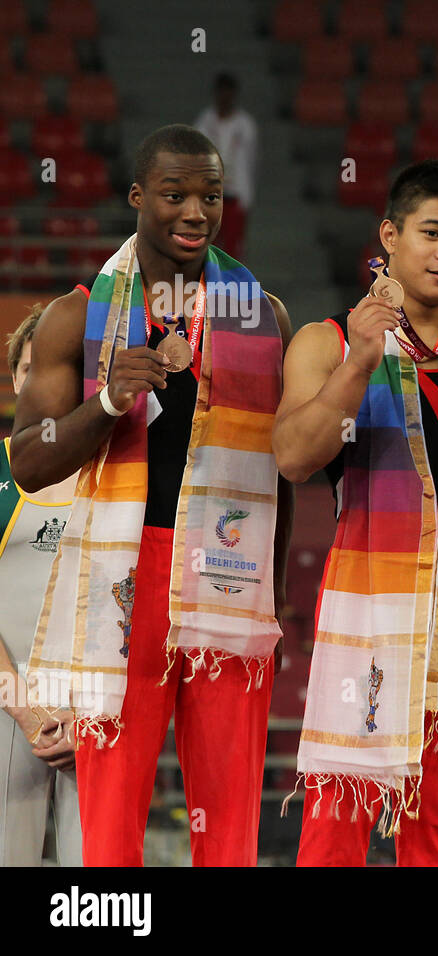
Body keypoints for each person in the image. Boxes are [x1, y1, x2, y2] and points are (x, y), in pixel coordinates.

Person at [10, 124, 294, 867]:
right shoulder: (75, 317)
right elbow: (29, 464)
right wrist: (106, 405)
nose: (195, 211)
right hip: (122, 580)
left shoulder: (263, 317)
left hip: (231, 577)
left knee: (228, 816)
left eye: (210, 195)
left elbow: (283, 471)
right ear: (138, 196)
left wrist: (278, 588)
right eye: (174, 194)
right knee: (110, 815)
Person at [277, 160, 438, 867]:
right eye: (432, 233)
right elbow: (293, 457)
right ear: (389, 236)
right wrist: (359, 362)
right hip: (371, 612)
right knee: (338, 813)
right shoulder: (327, 341)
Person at [0, 304, 80, 866]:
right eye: (26, 369)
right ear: (13, 378)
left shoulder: (118, 477)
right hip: (7, 703)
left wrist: (91, 707)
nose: (37, 381)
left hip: (94, 708)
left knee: (99, 877)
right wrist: (20, 703)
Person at [194, 73, 257, 261]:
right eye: (221, 93)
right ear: (216, 94)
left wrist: (246, 196)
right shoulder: (204, 122)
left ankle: (231, 290)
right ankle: (207, 289)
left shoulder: (245, 125)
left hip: (235, 196)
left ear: (234, 95)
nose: (225, 98)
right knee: (206, 249)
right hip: (209, 196)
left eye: (228, 93)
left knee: (233, 251)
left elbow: (251, 161)